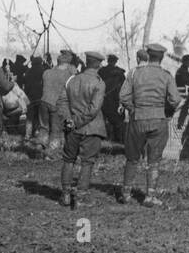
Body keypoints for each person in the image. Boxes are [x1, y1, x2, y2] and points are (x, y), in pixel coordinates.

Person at [118, 42, 180, 205]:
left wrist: (133, 109)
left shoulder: (134, 73)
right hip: (158, 120)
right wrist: (165, 111)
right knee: (154, 160)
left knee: (132, 158)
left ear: (148, 55)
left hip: (137, 119)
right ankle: (150, 196)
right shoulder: (166, 75)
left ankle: (125, 193)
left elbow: (123, 97)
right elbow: (175, 99)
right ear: (162, 57)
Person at [57, 51, 107, 207]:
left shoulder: (72, 80)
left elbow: (62, 102)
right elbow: (93, 109)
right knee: (87, 163)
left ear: (86, 62)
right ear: (98, 65)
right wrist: (77, 122)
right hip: (91, 129)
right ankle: (81, 197)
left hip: (72, 129)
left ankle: (65, 195)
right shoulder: (99, 83)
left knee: (68, 159)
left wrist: (69, 121)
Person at [37, 51, 76, 158]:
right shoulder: (69, 74)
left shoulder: (47, 72)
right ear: (67, 63)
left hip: (43, 102)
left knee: (43, 127)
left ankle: (40, 146)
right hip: (56, 105)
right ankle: (50, 154)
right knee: (56, 130)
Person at [98, 53, 127, 144]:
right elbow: (124, 87)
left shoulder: (101, 71)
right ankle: (117, 139)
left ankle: (105, 138)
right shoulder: (120, 73)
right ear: (115, 61)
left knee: (104, 118)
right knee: (117, 120)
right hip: (116, 100)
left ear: (108, 61)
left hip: (104, 99)